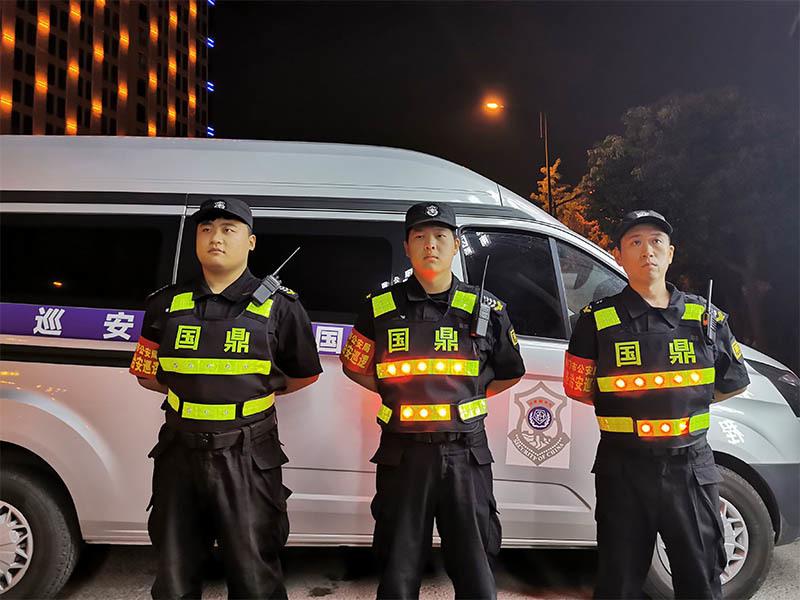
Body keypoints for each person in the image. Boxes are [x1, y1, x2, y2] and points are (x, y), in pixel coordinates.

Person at [129, 197, 322, 599]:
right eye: (206, 229)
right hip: (179, 451)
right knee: (174, 572)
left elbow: (304, 374)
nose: (215, 237)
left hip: (248, 453)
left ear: (250, 242)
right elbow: (146, 372)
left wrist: (245, 398)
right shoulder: (165, 303)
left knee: (254, 573)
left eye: (228, 230)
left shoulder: (282, 307)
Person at [341, 202, 525, 599]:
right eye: (420, 237)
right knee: (398, 570)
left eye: (441, 236)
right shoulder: (379, 307)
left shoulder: (487, 308)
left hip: (466, 455)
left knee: (476, 572)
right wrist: (394, 391)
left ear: (456, 245)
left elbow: (510, 371)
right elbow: (354, 366)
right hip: (403, 455)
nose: (431, 245)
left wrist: (468, 400)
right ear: (406, 247)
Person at [563, 209, 750, 599]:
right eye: (635, 242)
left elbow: (733, 382)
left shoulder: (706, 318)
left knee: (700, 578)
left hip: (690, 469)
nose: (647, 250)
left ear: (670, 253)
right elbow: (577, 387)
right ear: (618, 256)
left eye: (655, 242)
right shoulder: (595, 321)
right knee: (618, 583)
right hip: (623, 470)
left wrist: (685, 404)